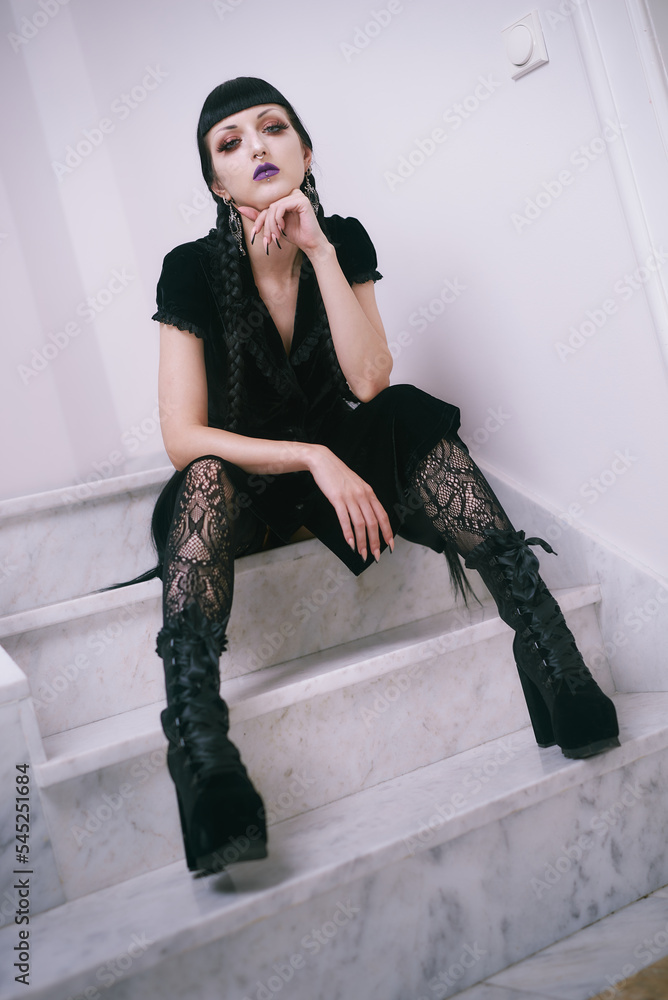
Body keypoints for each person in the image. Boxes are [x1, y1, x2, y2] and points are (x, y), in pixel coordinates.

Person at [138, 77, 619, 877]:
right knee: (205, 481)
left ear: (306, 150)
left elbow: (368, 379)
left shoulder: (346, 239)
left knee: (404, 409)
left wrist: (320, 250)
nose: (256, 147)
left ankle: (548, 649)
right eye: (230, 143)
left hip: (347, 464)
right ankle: (200, 752)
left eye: (273, 129)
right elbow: (183, 438)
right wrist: (313, 459)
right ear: (214, 182)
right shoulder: (188, 269)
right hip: (252, 484)